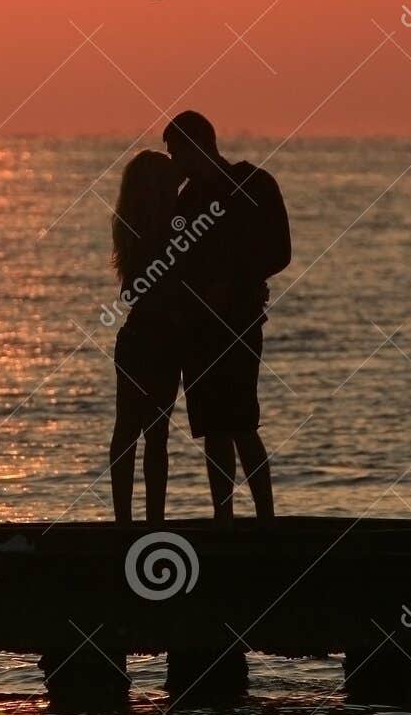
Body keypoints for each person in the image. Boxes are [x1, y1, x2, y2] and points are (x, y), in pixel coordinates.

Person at [163, 111, 291, 525]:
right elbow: (174, 260)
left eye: (176, 153)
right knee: (211, 428)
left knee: (240, 421)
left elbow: (279, 252)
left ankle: (265, 518)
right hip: (197, 329)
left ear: (194, 146)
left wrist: (234, 284)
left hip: (239, 325)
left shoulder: (254, 184)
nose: (174, 164)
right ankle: (224, 518)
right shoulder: (185, 201)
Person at [108, 150, 183, 524]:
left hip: (145, 338)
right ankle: (146, 520)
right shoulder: (158, 230)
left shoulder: (131, 227)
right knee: (150, 434)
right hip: (154, 341)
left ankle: (133, 520)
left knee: (136, 432)